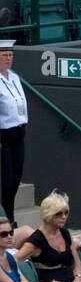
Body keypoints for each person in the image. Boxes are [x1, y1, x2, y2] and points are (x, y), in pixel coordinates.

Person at [0, 38, 24, 221]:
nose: (8, 58)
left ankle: (9, 215)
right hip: (4, 137)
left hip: (19, 133)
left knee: (16, 178)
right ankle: (7, 218)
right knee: (6, 181)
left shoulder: (14, 77)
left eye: (11, 54)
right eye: (4, 55)